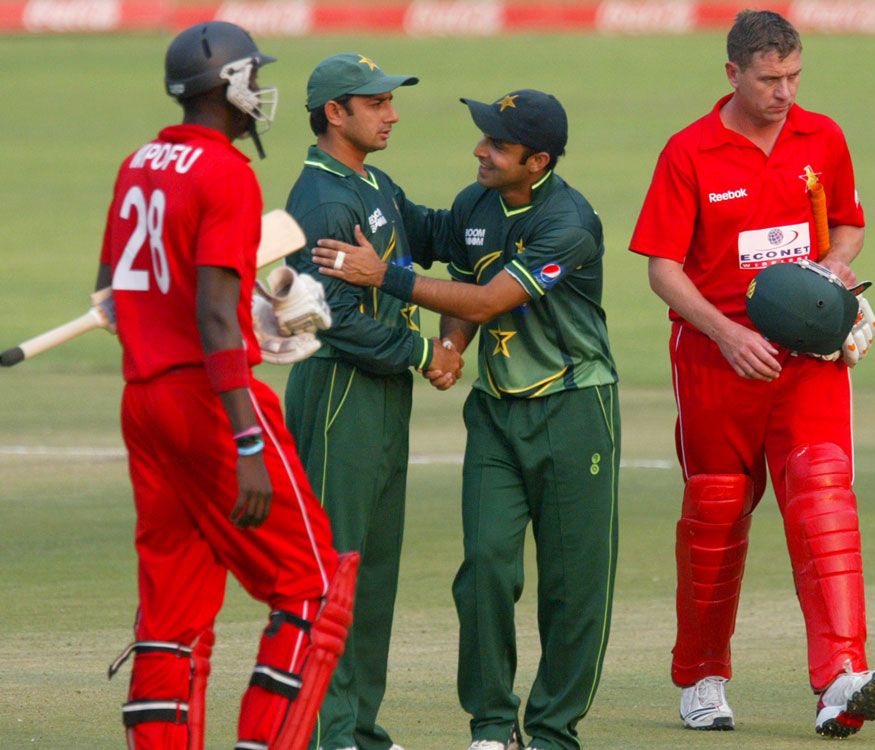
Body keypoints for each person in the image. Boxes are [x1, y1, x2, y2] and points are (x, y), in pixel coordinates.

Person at [312, 89, 620, 750]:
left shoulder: (569, 222)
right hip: (497, 418)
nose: (480, 150)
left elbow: (486, 299)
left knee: (573, 588)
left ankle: (554, 731)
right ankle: (490, 727)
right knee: (483, 568)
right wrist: (450, 347)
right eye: (483, 136)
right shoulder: (477, 202)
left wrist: (384, 276)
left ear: (536, 161)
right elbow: (463, 279)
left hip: (574, 410)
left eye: (497, 144)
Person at [628, 9, 875, 738]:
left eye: (795, 77)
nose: (785, 92)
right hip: (717, 359)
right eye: (771, 79)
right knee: (716, 507)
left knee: (823, 492)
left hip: (807, 357)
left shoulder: (823, 136)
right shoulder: (689, 152)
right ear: (734, 74)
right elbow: (661, 267)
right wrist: (725, 332)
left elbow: (848, 221)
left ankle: (841, 677)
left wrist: (836, 268)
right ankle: (702, 677)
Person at [95, 21, 358, 749]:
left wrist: (255, 321)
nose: (261, 93)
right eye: (254, 77)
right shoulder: (226, 173)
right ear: (232, 86)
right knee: (313, 586)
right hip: (210, 404)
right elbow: (213, 315)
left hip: (143, 402)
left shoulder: (137, 163)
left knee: (173, 609)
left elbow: (114, 296)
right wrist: (246, 435)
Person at [282, 53, 463, 750]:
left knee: (374, 575)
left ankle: (358, 729)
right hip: (339, 397)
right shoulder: (327, 198)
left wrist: (508, 204)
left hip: (380, 397)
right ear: (336, 112)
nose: (392, 114)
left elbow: (433, 233)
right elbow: (328, 318)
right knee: (336, 571)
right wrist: (428, 352)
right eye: (377, 103)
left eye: (391, 101)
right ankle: (327, 733)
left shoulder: (372, 181)